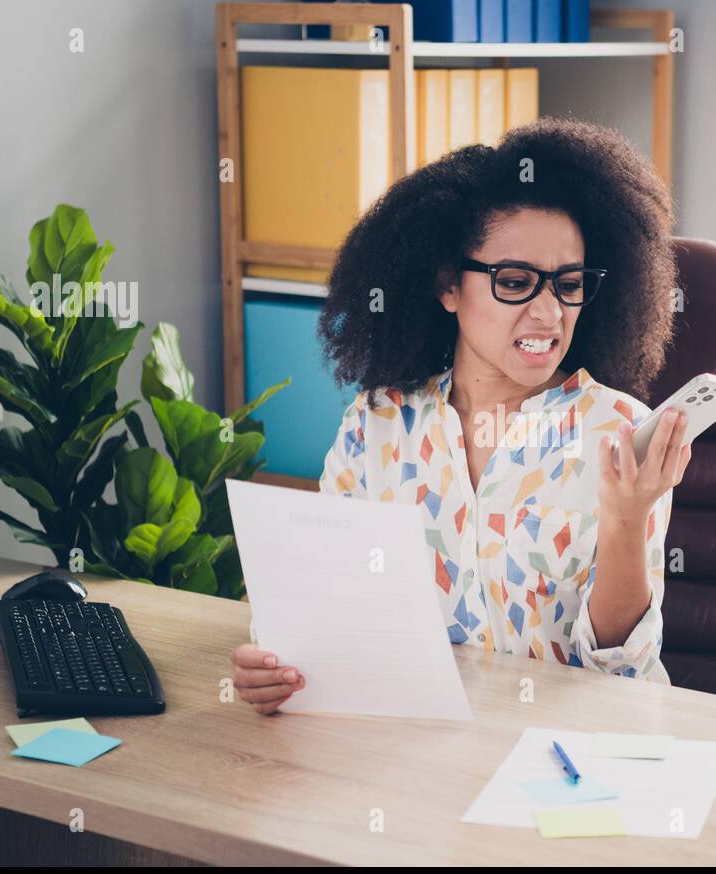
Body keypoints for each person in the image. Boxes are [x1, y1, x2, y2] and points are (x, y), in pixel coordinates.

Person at [232, 117, 688, 715]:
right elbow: (329, 615)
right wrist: (279, 667)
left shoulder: (620, 432)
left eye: (568, 284)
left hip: (579, 754)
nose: (549, 313)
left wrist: (626, 519)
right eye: (516, 282)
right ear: (449, 286)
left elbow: (619, 670)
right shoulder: (378, 425)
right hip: (423, 750)